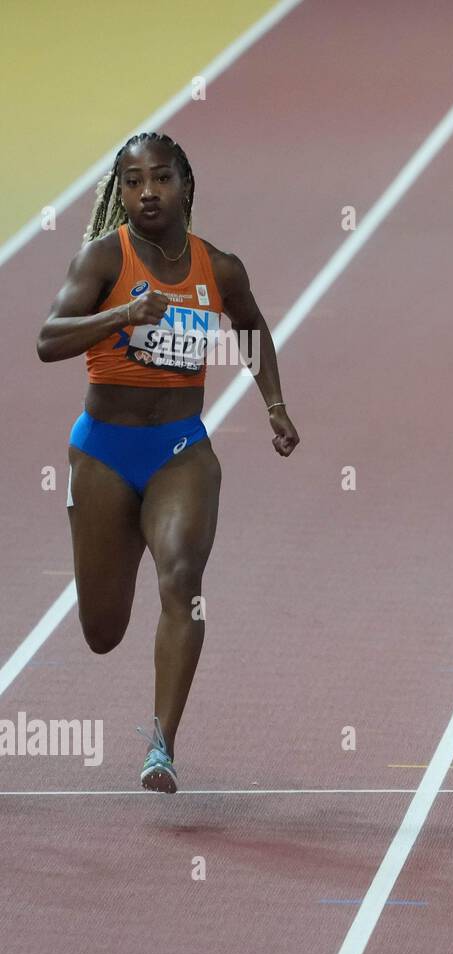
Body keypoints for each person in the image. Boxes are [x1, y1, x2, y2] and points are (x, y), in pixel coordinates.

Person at [36, 132, 300, 792]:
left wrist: (273, 402)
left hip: (180, 449)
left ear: (186, 186)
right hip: (103, 451)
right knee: (102, 630)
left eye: (159, 178)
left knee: (182, 578)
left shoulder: (220, 267)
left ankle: (161, 743)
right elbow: (47, 340)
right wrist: (124, 311)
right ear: (120, 194)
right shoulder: (102, 259)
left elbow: (250, 324)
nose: (146, 191)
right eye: (131, 181)